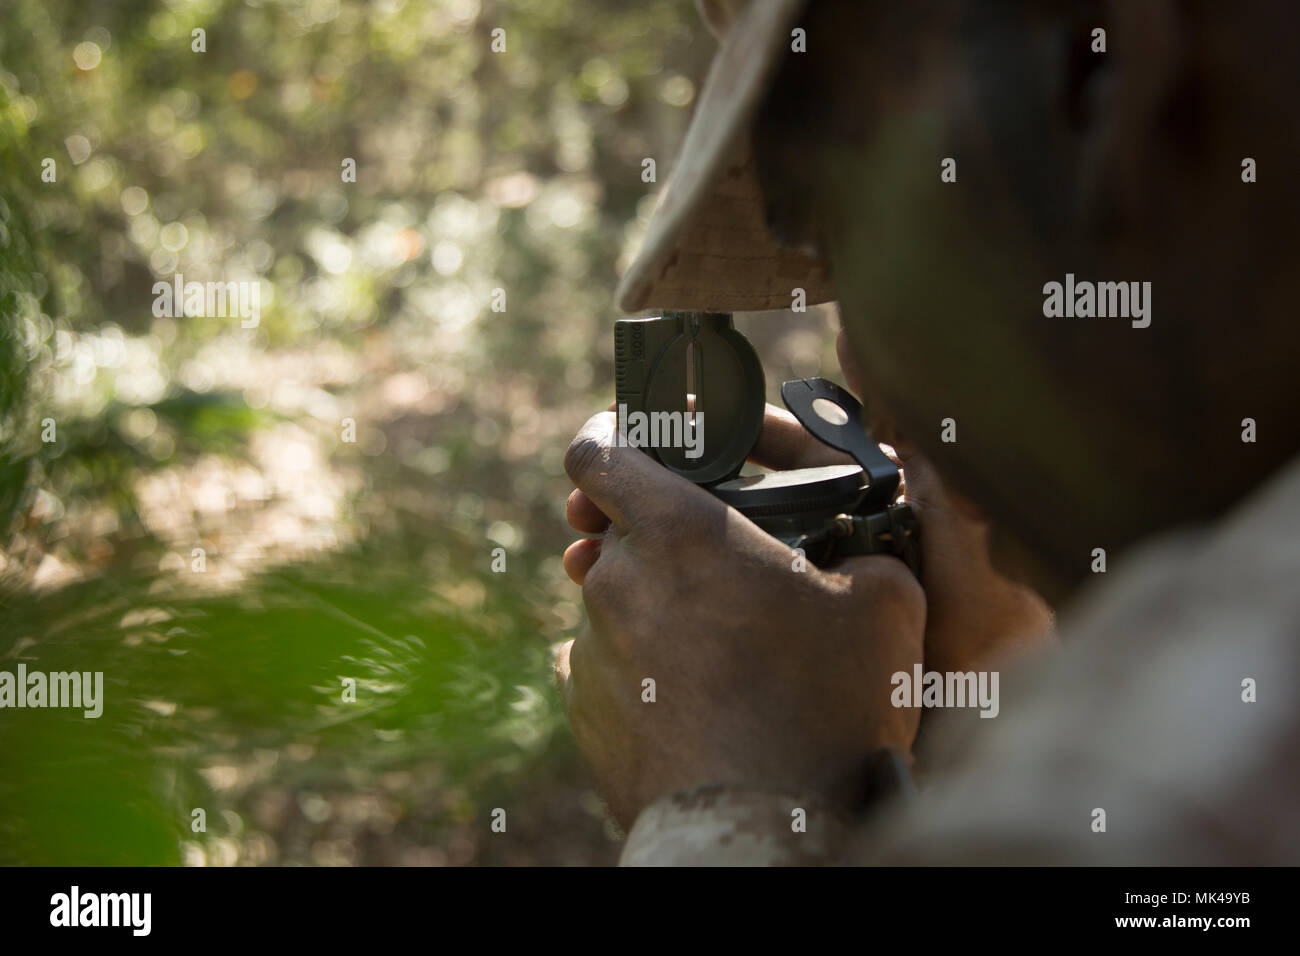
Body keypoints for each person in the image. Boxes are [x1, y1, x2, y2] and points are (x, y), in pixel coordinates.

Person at [556, 0, 1300, 864]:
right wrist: (995, 669)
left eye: (829, 227)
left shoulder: (1158, 793)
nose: (860, 369)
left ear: (1098, 79)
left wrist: (731, 793)